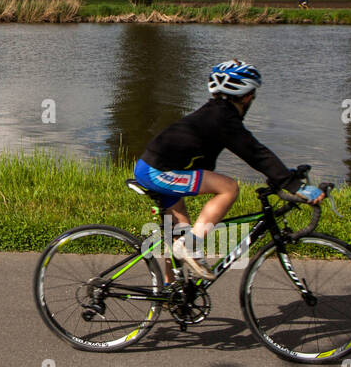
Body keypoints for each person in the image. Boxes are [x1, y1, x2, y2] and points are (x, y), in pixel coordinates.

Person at [133, 59, 313, 279]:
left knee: (179, 231)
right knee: (228, 188)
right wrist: (292, 184)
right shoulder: (224, 119)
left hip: (150, 168)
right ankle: (190, 246)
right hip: (158, 172)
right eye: (253, 96)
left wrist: (283, 178)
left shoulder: (213, 113)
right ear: (247, 97)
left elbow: (207, 155)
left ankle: (173, 289)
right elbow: (255, 153)